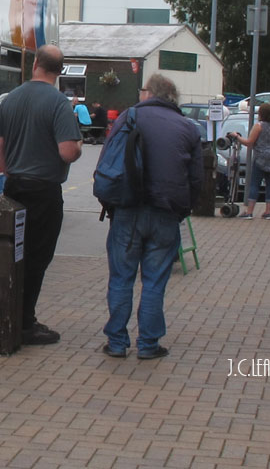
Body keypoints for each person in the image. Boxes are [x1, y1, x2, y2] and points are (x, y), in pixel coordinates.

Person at [100, 74, 201, 360]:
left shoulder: (128, 118)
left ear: (150, 94)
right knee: (155, 281)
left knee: (121, 278)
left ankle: (117, 342)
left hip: (127, 211)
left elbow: (107, 160)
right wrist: (182, 210)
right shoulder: (188, 128)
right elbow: (196, 180)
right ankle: (148, 344)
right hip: (165, 213)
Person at [0, 44, 83, 346]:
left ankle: (7, 314)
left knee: (13, 254)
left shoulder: (11, 99)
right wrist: (80, 147)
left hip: (14, 187)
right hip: (44, 192)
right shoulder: (59, 104)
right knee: (36, 258)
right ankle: (25, 322)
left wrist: (8, 171)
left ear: (35, 64)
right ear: (60, 71)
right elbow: (67, 152)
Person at [228, 102, 270, 219]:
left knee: (254, 184)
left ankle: (249, 211)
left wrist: (237, 137)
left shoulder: (259, 126)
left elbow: (249, 142)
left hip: (260, 158)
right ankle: (267, 212)